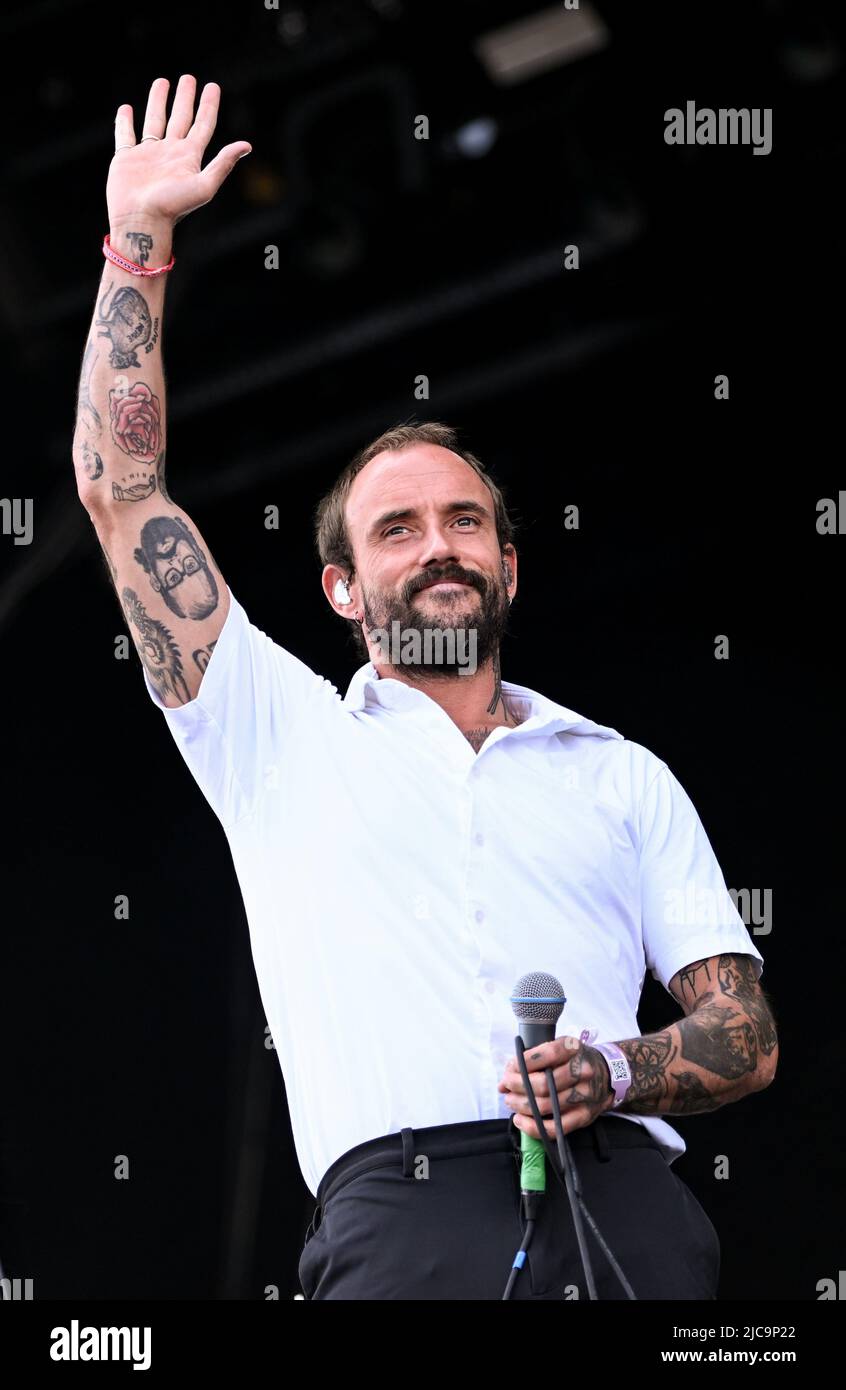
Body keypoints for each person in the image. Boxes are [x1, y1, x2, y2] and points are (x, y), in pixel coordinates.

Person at [74, 76, 779, 1301]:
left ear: (509, 563)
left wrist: (611, 1072)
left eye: (466, 521)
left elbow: (748, 1036)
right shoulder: (273, 730)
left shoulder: (619, 770)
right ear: (344, 588)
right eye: (398, 529)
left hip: (627, 1208)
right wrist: (139, 244)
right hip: (397, 1226)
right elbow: (122, 493)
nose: (439, 544)